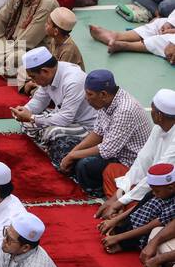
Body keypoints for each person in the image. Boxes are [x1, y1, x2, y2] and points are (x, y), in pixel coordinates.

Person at [57, 69, 152, 194]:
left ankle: (97, 189)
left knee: (85, 165)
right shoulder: (106, 101)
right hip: (112, 150)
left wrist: (72, 156)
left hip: (127, 161)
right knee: (63, 143)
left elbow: (107, 151)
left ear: (103, 94)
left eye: (89, 94)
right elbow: (98, 133)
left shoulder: (125, 110)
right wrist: (73, 152)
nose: (86, 98)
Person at [98, 89, 175, 221]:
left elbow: (156, 178)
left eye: (152, 109)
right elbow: (142, 162)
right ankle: (121, 213)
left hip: (163, 189)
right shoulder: (159, 127)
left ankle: (121, 215)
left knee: (146, 200)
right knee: (112, 170)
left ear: (159, 115)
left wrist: (119, 202)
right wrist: (117, 196)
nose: (150, 113)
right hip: (150, 182)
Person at [11, 47, 92, 149]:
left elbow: (65, 119)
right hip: (62, 116)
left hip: (85, 125)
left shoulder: (73, 81)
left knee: (51, 133)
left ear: (45, 71)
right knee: (27, 123)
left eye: (33, 77)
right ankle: (47, 144)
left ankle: (47, 143)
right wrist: (25, 110)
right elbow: (40, 100)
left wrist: (32, 117)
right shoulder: (50, 74)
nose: (33, 82)